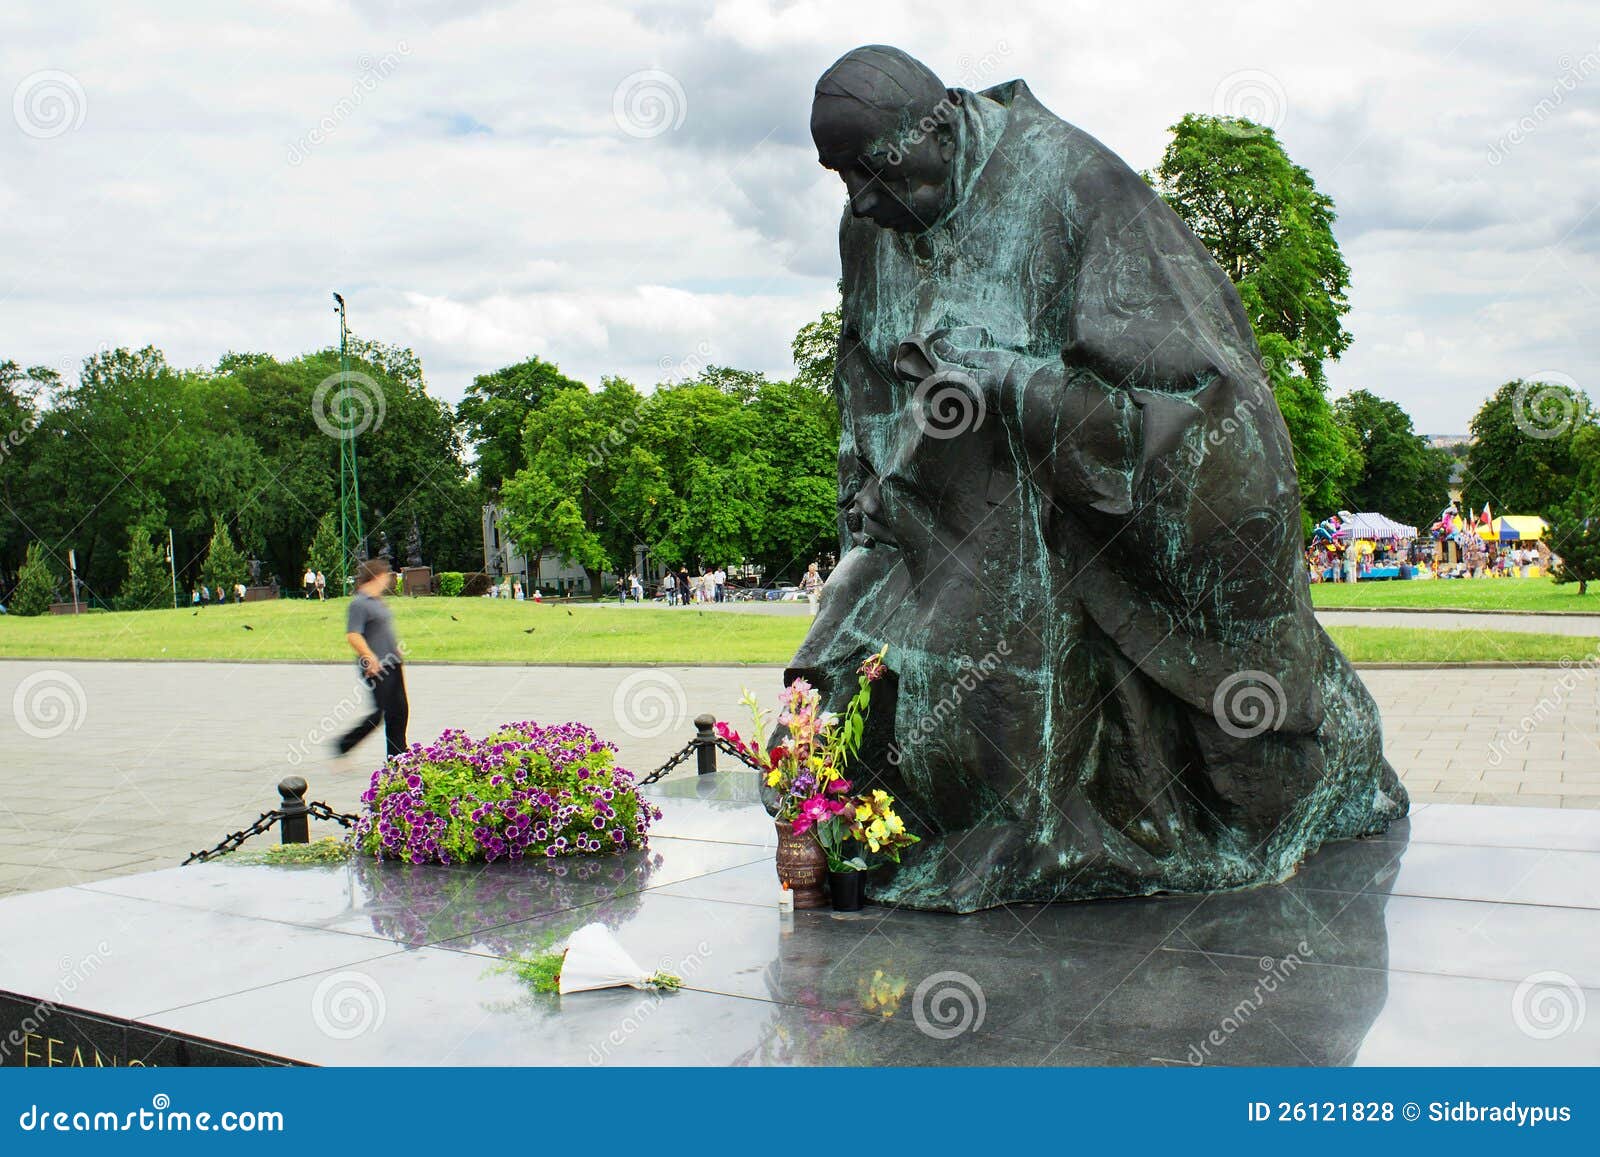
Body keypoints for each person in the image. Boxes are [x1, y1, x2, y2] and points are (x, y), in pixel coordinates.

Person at [335, 558, 409, 761]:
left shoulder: (377, 600)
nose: (388, 581)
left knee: (400, 710)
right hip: (375, 666)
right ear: (376, 577)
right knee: (379, 714)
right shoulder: (359, 603)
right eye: (385, 576)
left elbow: (381, 629)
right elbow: (353, 634)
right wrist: (369, 656)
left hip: (392, 663)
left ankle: (398, 755)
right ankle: (343, 745)